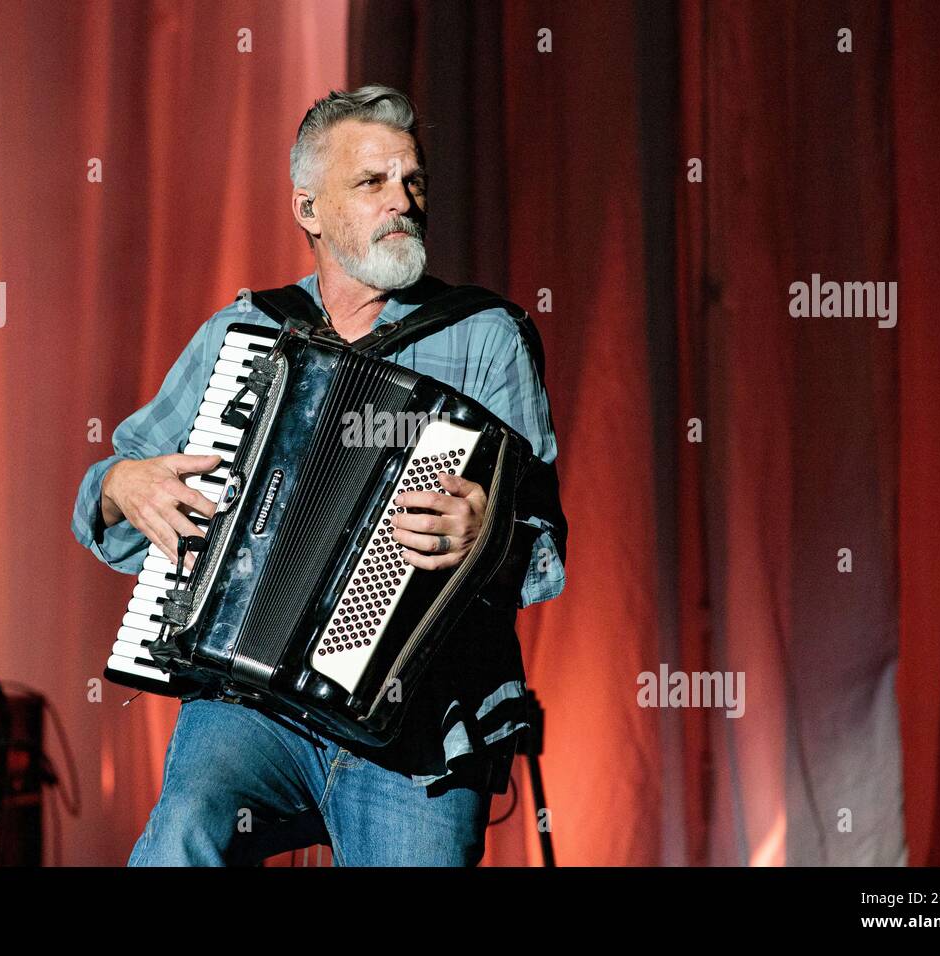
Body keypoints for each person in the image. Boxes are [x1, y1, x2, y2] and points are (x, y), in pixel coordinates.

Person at [72, 85, 566, 866]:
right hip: (253, 711)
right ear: (308, 209)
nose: (401, 201)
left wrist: (488, 530)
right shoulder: (246, 332)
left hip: (420, 728)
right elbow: (108, 491)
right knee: (184, 832)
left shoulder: (486, 337)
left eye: (414, 181)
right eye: (371, 183)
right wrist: (119, 485)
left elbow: (541, 549)